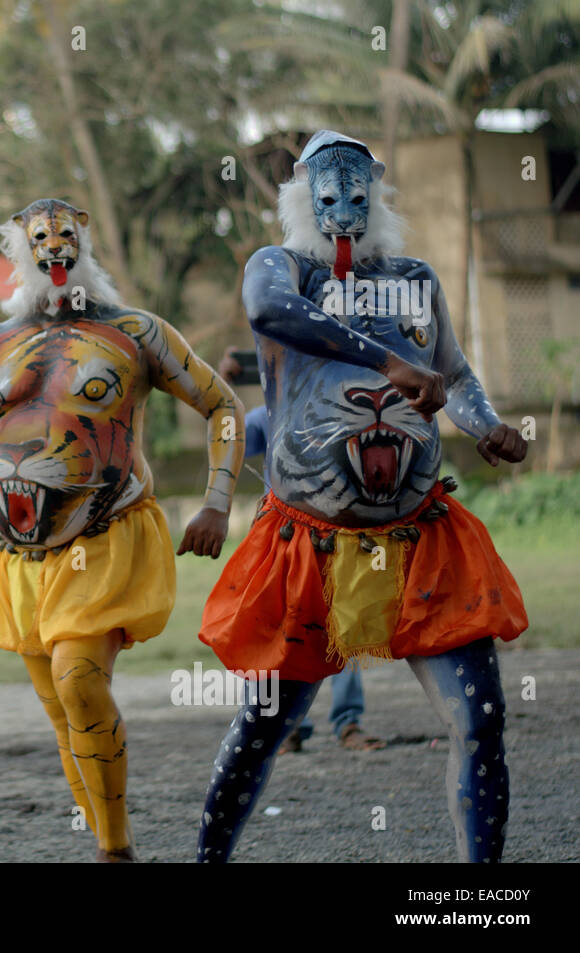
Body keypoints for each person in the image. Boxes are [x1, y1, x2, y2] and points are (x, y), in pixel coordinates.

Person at [197, 131, 528, 862]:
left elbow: (455, 372)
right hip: (306, 546)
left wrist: (489, 425)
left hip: (421, 538)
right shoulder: (278, 267)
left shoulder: (415, 277)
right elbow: (269, 313)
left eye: (358, 192)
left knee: (481, 720)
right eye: (329, 193)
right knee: (262, 728)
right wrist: (387, 363)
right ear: (301, 197)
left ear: (376, 194)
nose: (344, 205)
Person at [0, 198, 244, 862]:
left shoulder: (136, 331)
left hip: (106, 538)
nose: (54, 246)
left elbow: (221, 402)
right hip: (17, 555)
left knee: (79, 678)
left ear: (86, 242)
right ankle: (109, 839)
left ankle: (114, 851)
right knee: (60, 708)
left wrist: (218, 501)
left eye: (66, 234)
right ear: (19, 249)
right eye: (40, 237)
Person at [215, 347, 385, 754]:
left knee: (340, 628)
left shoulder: (346, 415)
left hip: (336, 537)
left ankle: (348, 723)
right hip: (282, 540)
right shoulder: (270, 418)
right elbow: (227, 431)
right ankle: (286, 727)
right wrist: (222, 386)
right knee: (279, 631)